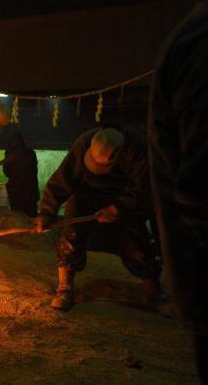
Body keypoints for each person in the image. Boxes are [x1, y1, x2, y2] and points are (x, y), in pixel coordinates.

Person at [148, 0, 208, 383]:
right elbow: (200, 187)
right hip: (204, 271)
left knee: (135, 245)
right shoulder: (201, 40)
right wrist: (45, 212)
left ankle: (149, 288)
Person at [36, 127, 162, 311]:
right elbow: (63, 179)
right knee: (71, 237)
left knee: (136, 241)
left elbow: (144, 188)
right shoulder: (84, 143)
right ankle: (65, 287)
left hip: (123, 196)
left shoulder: (138, 150)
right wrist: (47, 212)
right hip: (85, 193)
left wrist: (119, 207)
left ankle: (153, 290)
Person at [3, 132, 39, 217]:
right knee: (32, 217)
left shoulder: (9, 155)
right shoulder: (31, 152)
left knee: (18, 218)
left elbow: (6, 172)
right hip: (31, 192)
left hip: (16, 193)